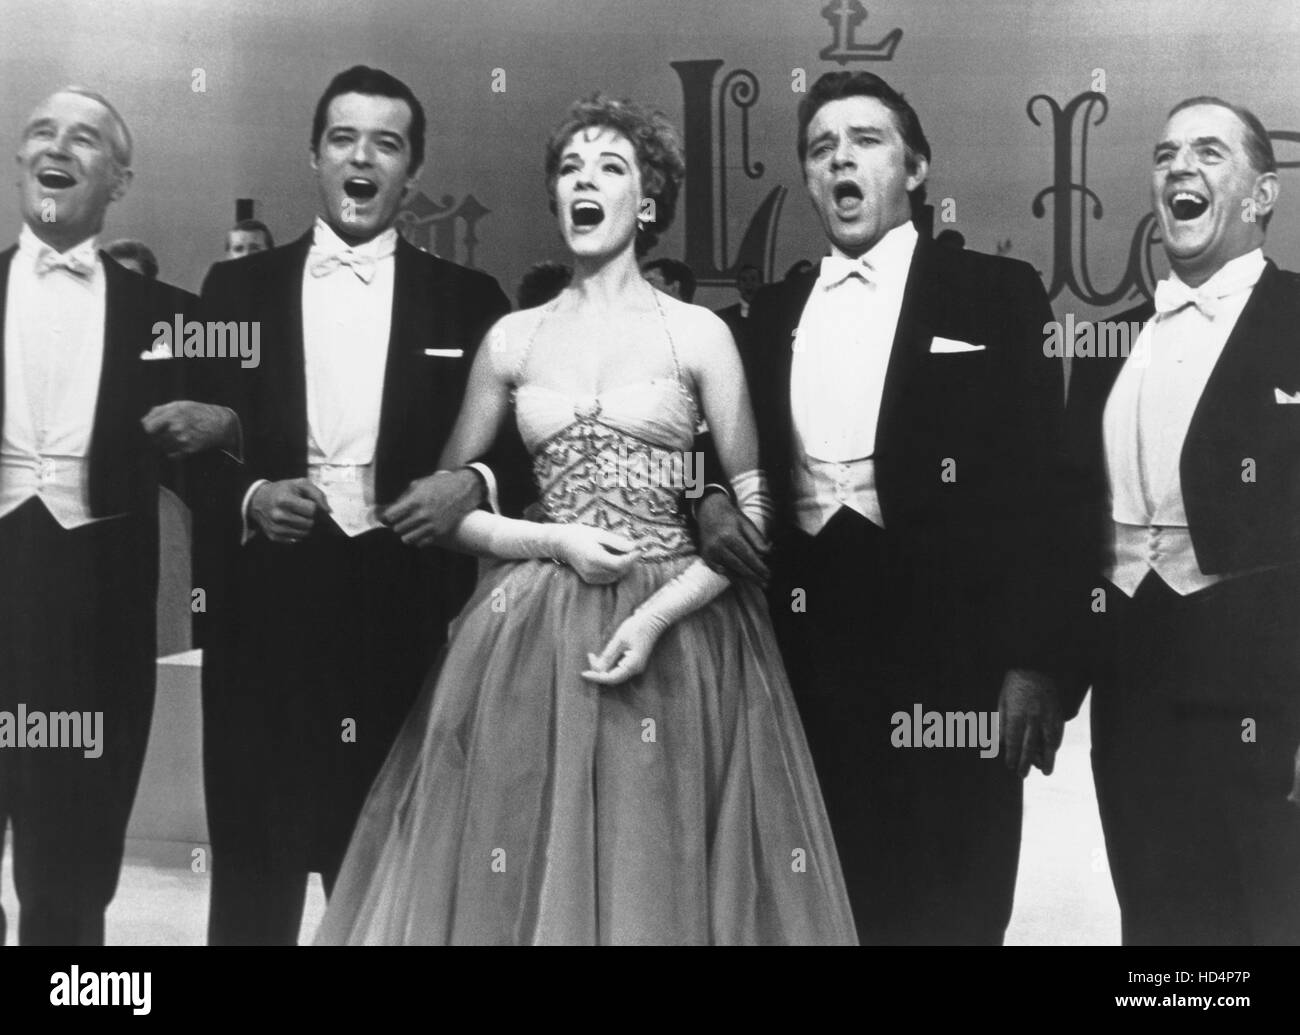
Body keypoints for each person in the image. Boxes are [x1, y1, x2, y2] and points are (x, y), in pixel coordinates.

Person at [316, 95, 855, 945]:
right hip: (532, 634)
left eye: (610, 167)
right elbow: (452, 507)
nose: (584, 182)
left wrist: (652, 615)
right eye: (571, 169)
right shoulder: (512, 339)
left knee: (656, 880)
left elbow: (754, 514)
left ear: (647, 204)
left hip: (684, 637)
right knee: (524, 868)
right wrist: (551, 539)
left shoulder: (698, 334)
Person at [698, 71, 1077, 945]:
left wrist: (1037, 660)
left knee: (958, 902)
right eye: (822, 145)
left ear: (916, 167)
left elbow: (1047, 487)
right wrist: (709, 496)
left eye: (865, 139)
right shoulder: (766, 314)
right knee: (823, 904)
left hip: (958, 657)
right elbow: (699, 437)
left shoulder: (996, 291)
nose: (842, 157)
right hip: (806, 656)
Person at [197, 65, 515, 945]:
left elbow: (521, 453)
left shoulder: (470, 300)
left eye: (387, 141)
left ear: (412, 170)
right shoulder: (234, 294)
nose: (362, 156)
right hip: (264, 615)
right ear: (314, 155)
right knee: (253, 869)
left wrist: (473, 483)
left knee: (390, 870)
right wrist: (253, 494)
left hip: (402, 615)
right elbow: (185, 451)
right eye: (344, 137)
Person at [1065, 96, 1300, 945]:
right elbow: (1064, 531)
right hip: (1131, 693)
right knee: (1161, 937)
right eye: (1165, 155)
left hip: (1266, 695)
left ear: (1263, 194)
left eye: (1208, 152)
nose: (1178, 170)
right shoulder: (1104, 346)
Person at [0, 87, 231, 944]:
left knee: (75, 862)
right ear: (22, 160)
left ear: (119, 180)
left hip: (99, 607)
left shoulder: (174, 319)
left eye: (86, 139)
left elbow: (245, 439)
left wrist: (225, 426)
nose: (59, 147)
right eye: (42, 131)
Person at [714, 262, 763, 353]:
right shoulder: (723, 317)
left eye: (753, 279)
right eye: (744, 280)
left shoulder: (772, 316)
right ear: (737, 285)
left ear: (761, 284)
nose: (749, 284)